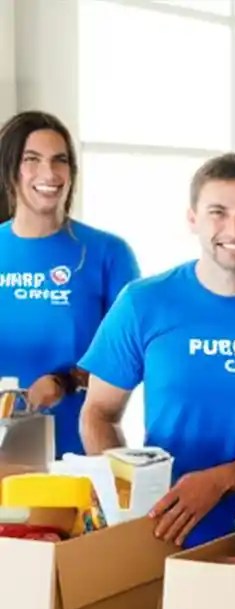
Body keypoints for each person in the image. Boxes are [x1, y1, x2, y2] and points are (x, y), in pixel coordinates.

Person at [78, 153, 235, 548]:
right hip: (169, 532)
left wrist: (222, 480)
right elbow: (98, 413)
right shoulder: (143, 303)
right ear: (192, 218)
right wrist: (126, 498)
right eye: (218, 212)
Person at [0, 111, 139, 458]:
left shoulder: (108, 254)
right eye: (32, 160)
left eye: (59, 161)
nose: (49, 174)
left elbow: (130, 358)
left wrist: (65, 380)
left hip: (80, 457)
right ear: (9, 167)